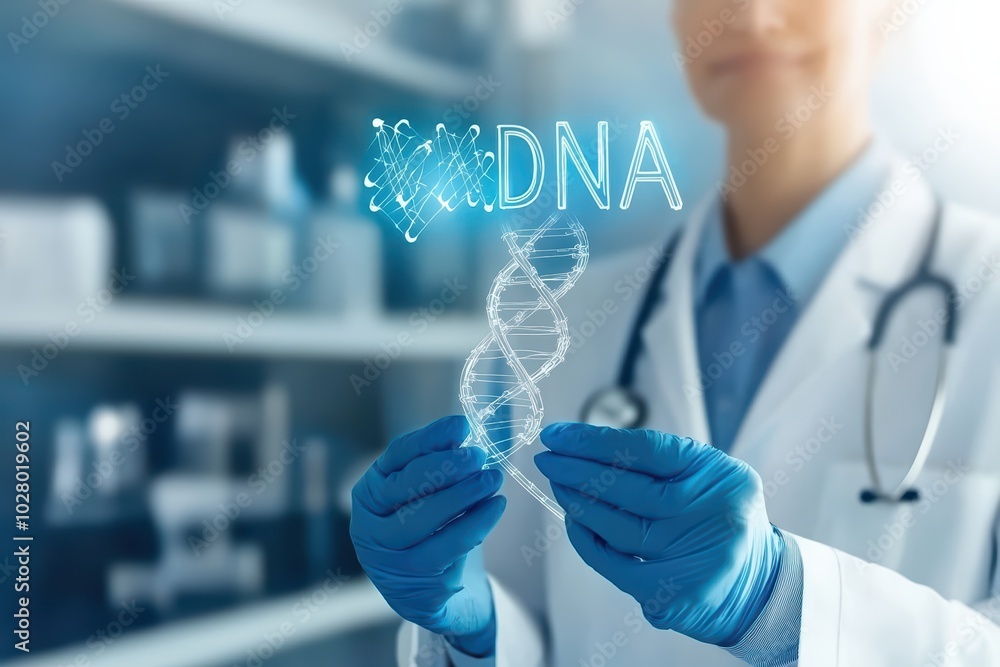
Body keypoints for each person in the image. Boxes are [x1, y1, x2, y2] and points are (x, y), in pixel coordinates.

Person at [351, 0, 1000, 664]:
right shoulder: (568, 316)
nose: (750, 13)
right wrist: (474, 626)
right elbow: (533, 622)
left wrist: (779, 602)